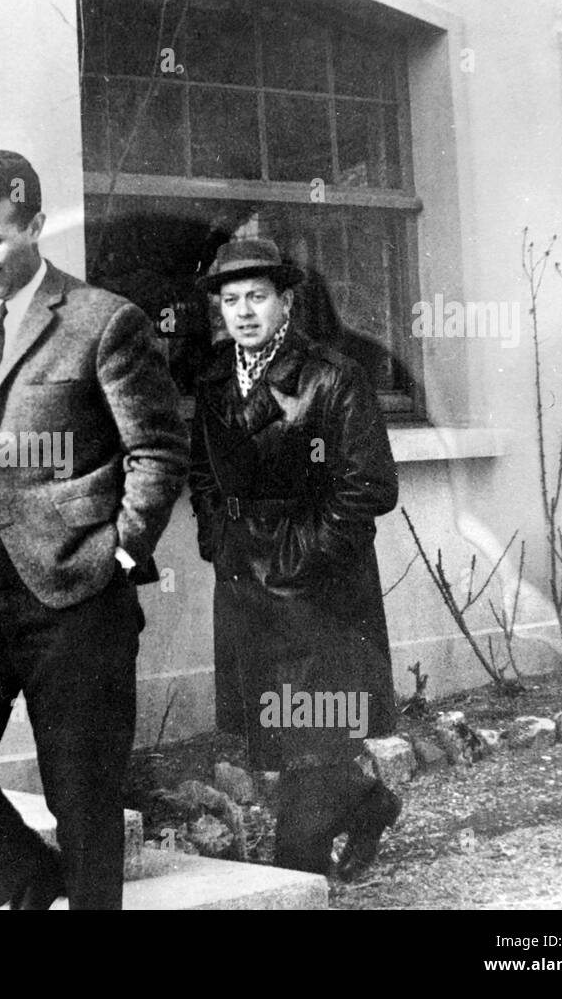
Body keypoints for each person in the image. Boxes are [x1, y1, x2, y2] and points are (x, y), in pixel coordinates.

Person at [0, 150, 189, 909]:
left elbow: (156, 449)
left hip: (77, 591)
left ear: (35, 226)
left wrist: (118, 552)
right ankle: (26, 877)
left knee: (82, 793)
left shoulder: (102, 321)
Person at [189, 237, 401, 879]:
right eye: (231, 300)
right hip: (245, 585)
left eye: (258, 297)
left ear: (285, 302)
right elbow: (204, 474)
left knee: (317, 733)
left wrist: (297, 559)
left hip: (320, 594)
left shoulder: (333, 377)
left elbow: (371, 486)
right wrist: (217, 539)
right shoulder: (215, 382)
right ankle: (370, 802)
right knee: (281, 738)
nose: (244, 312)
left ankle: (301, 870)